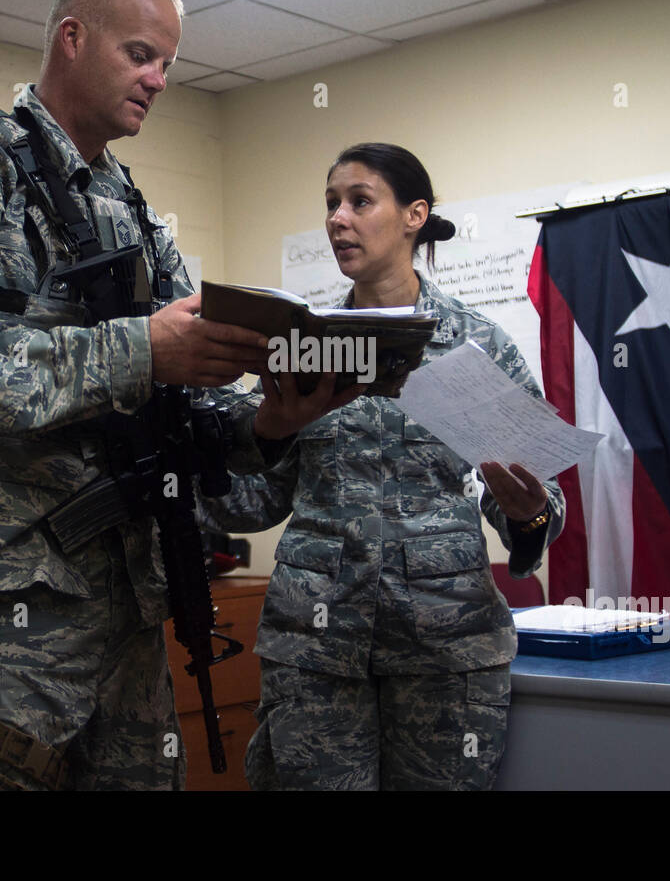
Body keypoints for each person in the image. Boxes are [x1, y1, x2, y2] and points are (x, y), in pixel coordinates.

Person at [0, 0, 351, 791]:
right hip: (4, 606)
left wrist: (270, 421)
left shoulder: (128, 209)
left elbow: (184, 410)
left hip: (128, 600)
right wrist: (142, 349)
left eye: (168, 62)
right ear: (72, 38)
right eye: (140, 54)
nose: (159, 79)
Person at [200, 143, 566, 790]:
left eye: (359, 201)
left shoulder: (477, 344)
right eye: (331, 204)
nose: (339, 218)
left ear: (413, 214)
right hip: (316, 650)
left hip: (446, 651)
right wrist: (250, 439)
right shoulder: (303, 341)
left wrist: (526, 510)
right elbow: (252, 503)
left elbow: (542, 499)